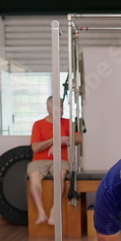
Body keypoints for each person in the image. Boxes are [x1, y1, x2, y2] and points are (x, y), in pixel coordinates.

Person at [28, 96, 81, 225]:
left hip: (60, 159)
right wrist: (55, 139)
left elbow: (79, 139)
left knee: (60, 174)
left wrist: (66, 138)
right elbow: (35, 147)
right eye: (57, 108)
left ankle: (54, 212)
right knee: (34, 176)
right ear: (48, 108)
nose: (60, 110)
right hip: (40, 160)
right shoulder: (38, 124)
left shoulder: (67, 123)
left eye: (61, 107)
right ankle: (41, 212)